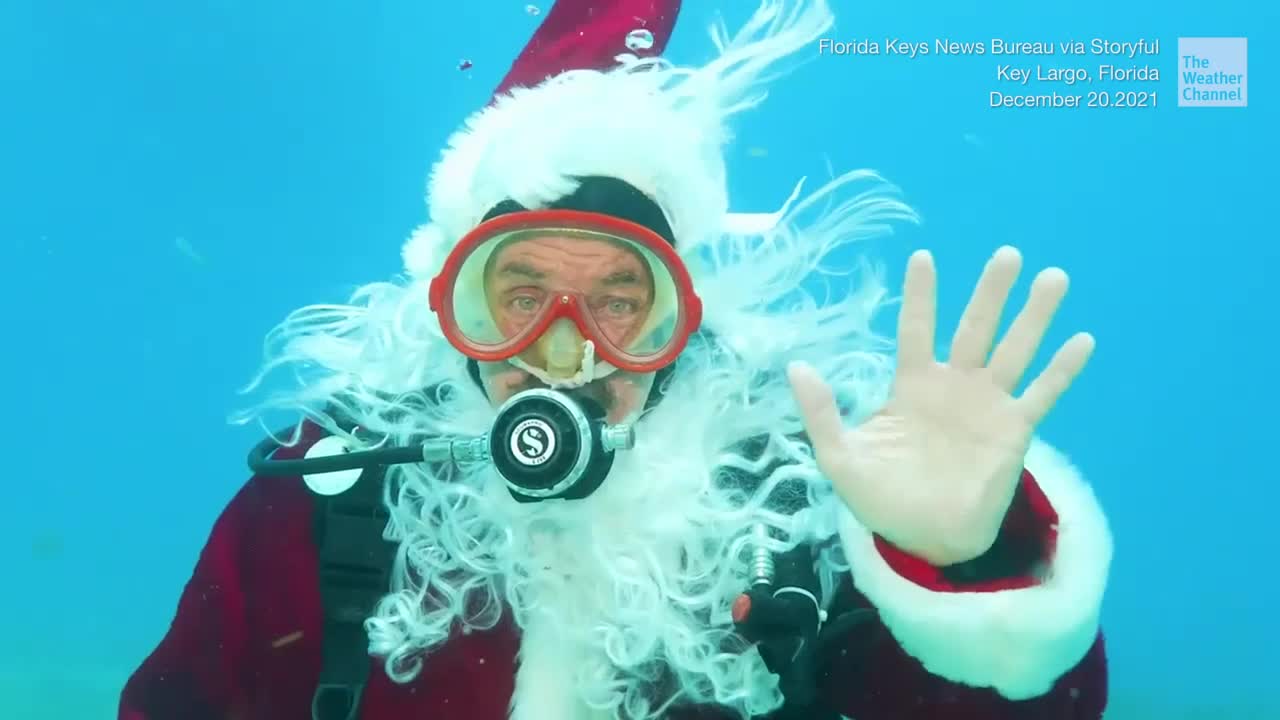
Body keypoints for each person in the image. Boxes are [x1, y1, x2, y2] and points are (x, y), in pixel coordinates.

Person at [120, 0, 1113, 718]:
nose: (562, 353)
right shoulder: (329, 502)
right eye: (516, 301)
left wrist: (958, 561)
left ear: (682, 324)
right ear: (448, 313)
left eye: (618, 303)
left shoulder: (792, 505)